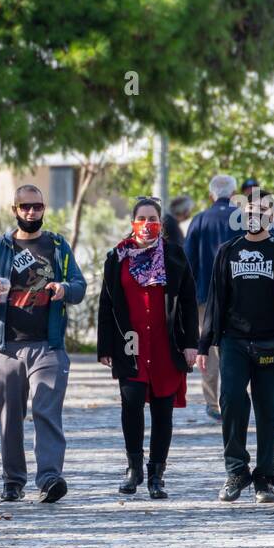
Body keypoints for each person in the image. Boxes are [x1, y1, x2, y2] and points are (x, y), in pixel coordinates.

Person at [0, 185, 86, 504]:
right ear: (15, 210)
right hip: (4, 347)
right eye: (26, 207)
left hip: (47, 346)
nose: (32, 212)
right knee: (10, 417)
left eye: (37, 206)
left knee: (45, 409)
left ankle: (49, 478)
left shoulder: (58, 246)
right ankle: (13, 481)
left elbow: (79, 286)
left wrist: (65, 289)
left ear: (44, 208)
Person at [198, 189, 274, 503]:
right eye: (249, 211)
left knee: (268, 412)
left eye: (262, 211)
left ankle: (264, 479)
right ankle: (236, 471)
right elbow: (215, 301)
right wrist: (204, 344)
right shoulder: (228, 251)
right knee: (230, 399)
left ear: (271, 216)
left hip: (272, 343)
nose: (254, 216)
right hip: (234, 341)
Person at [97, 197, 199, 499]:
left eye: (152, 218)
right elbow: (106, 303)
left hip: (166, 345)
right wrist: (105, 346)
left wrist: (191, 343)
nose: (147, 224)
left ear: (161, 223)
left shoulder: (175, 255)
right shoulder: (117, 257)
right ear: (132, 223)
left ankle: (157, 473)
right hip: (131, 343)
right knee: (131, 406)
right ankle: (134, 468)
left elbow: (189, 303)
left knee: (162, 411)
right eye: (141, 218)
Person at [184, 173, 238, 423]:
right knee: (233, 347)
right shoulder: (242, 219)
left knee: (208, 349)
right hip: (238, 297)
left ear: (211, 195)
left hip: (205, 295)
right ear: (233, 193)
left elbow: (188, 261)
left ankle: (212, 403)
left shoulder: (199, 220)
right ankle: (233, 396)